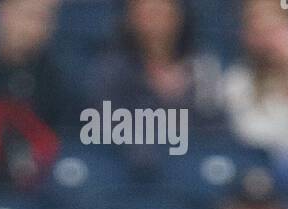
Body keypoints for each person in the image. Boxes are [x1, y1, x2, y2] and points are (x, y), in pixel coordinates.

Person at [0, 0, 71, 187]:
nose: (32, 27)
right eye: (26, 16)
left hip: (42, 184)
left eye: (43, 18)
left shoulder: (60, 76)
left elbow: (69, 138)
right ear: (1, 14)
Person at [91, 0, 225, 133]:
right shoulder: (111, 72)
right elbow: (109, 131)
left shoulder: (203, 66)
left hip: (193, 150)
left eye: (163, 7)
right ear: (130, 16)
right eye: (147, 8)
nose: (156, 14)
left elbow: (214, 129)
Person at [225, 0, 288, 189]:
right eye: (259, 32)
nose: (267, 42)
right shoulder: (237, 81)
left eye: (274, 30)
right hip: (266, 182)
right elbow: (253, 137)